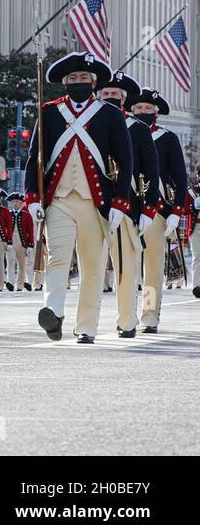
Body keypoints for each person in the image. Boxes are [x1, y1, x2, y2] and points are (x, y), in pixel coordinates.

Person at [27, 53, 133, 344]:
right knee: (57, 259)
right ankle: (54, 313)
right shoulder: (48, 112)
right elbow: (34, 158)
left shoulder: (109, 114)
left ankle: (86, 326)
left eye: (83, 79)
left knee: (92, 266)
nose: (78, 83)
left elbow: (125, 162)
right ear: (64, 83)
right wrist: (33, 198)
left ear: (93, 82)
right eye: (72, 79)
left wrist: (119, 203)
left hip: (95, 202)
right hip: (58, 199)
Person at [97, 72, 157, 338]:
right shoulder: (87, 123)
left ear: (123, 99)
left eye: (115, 95)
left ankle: (128, 319)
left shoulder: (139, 129)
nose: (110, 98)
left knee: (125, 268)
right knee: (92, 268)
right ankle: (86, 323)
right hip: (93, 203)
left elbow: (151, 171)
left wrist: (149, 209)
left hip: (127, 207)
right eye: (106, 94)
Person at [132, 88, 187, 332]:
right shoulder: (123, 134)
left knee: (152, 268)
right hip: (127, 208)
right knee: (126, 267)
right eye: (138, 108)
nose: (143, 112)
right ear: (130, 110)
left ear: (156, 113)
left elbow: (179, 176)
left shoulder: (167, 138)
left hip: (157, 209)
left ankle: (150, 314)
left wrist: (176, 211)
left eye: (147, 109)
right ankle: (126, 313)